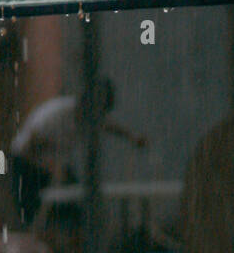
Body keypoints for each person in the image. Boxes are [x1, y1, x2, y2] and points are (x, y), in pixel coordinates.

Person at [10, 78, 146, 225]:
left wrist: (132, 137)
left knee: (74, 206)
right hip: (27, 162)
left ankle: (69, 231)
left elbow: (109, 126)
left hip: (52, 163)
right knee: (34, 210)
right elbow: (30, 144)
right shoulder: (57, 115)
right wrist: (49, 168)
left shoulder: (90, 116)